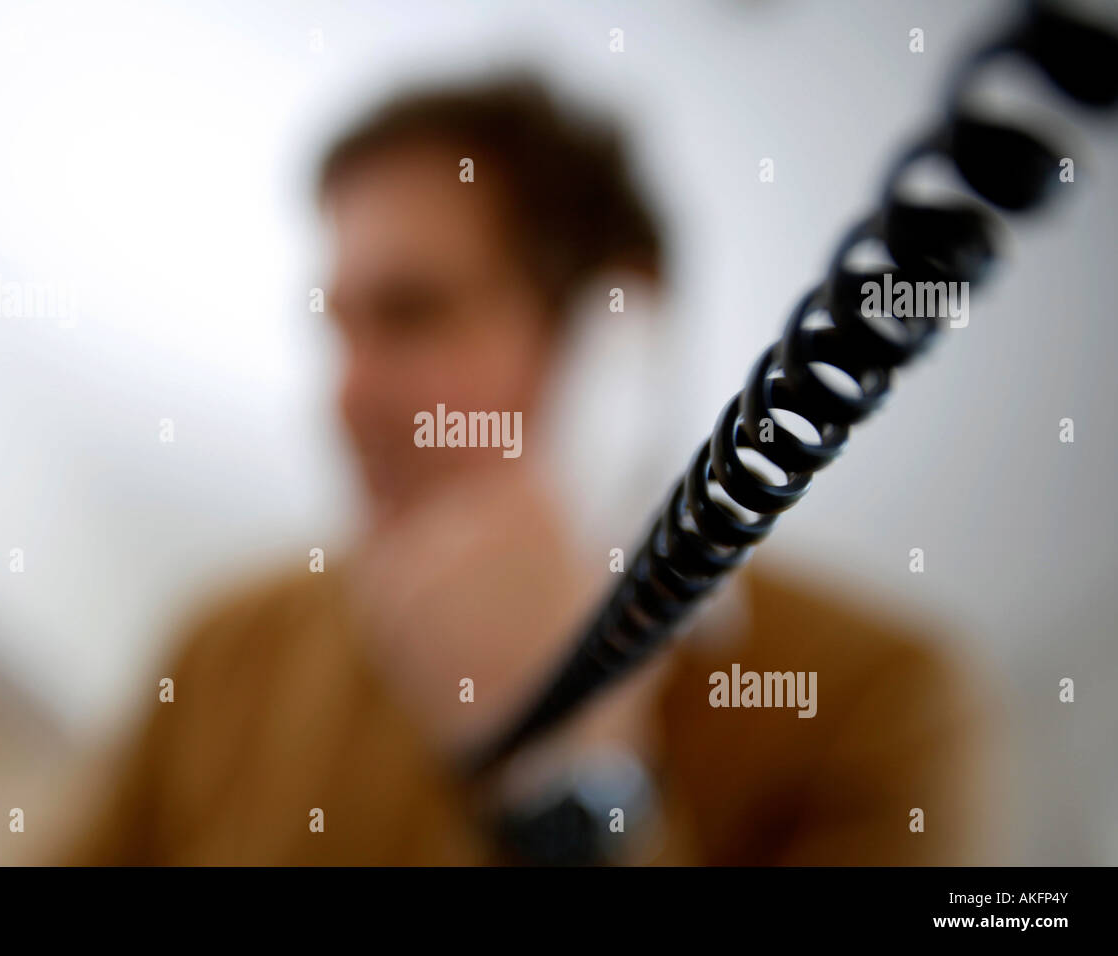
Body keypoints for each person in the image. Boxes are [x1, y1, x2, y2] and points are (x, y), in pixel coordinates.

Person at [59, 73, 995, 865]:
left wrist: (576, 797)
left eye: (411, 313)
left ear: (611, 338)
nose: (344, 398)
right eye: (336, 331)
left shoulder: (879, 697)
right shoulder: (221, 649)